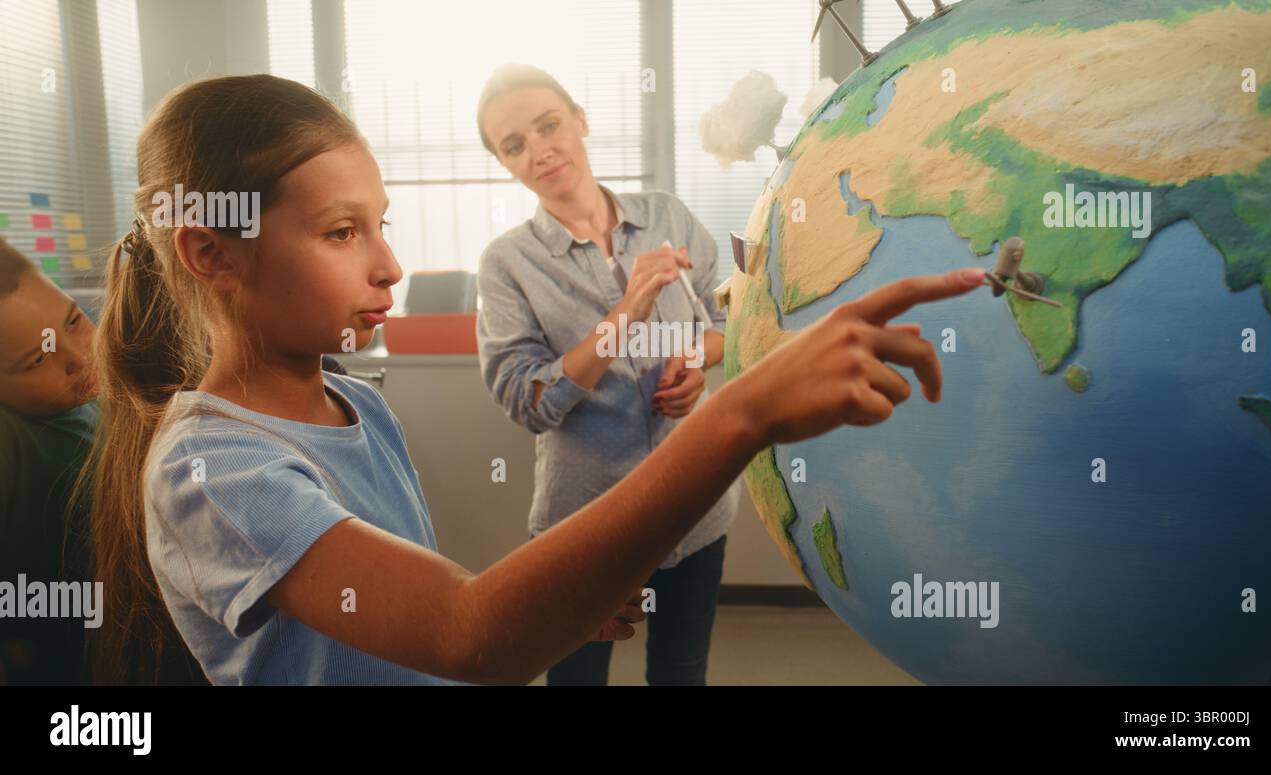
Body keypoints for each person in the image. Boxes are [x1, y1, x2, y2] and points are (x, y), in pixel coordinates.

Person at [93, 74, 985, 685]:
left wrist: (549, 598)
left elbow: (415, 607)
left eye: (382, 224)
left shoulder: (355, 400)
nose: (390, 265)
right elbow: (465, 631)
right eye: (340, 233)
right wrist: (742, 412)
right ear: (211, 251)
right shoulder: (212, 471)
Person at [474, 63, 737, 685]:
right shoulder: (507, 263)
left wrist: (698, 361)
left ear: (581, 121)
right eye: (514, 144)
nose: (540, 150)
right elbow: (528, 401)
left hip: (694, 506)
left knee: (680, 675)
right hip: (582, 523)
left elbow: (730, 317)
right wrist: (625, 315)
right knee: (576, 679)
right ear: (504, 163)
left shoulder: (669, 216)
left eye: (549, 125)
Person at [0, 237, 98, 684]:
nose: (78, 358)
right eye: (38, 357)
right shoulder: (14, 440)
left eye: (74, 320)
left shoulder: (103, 395)